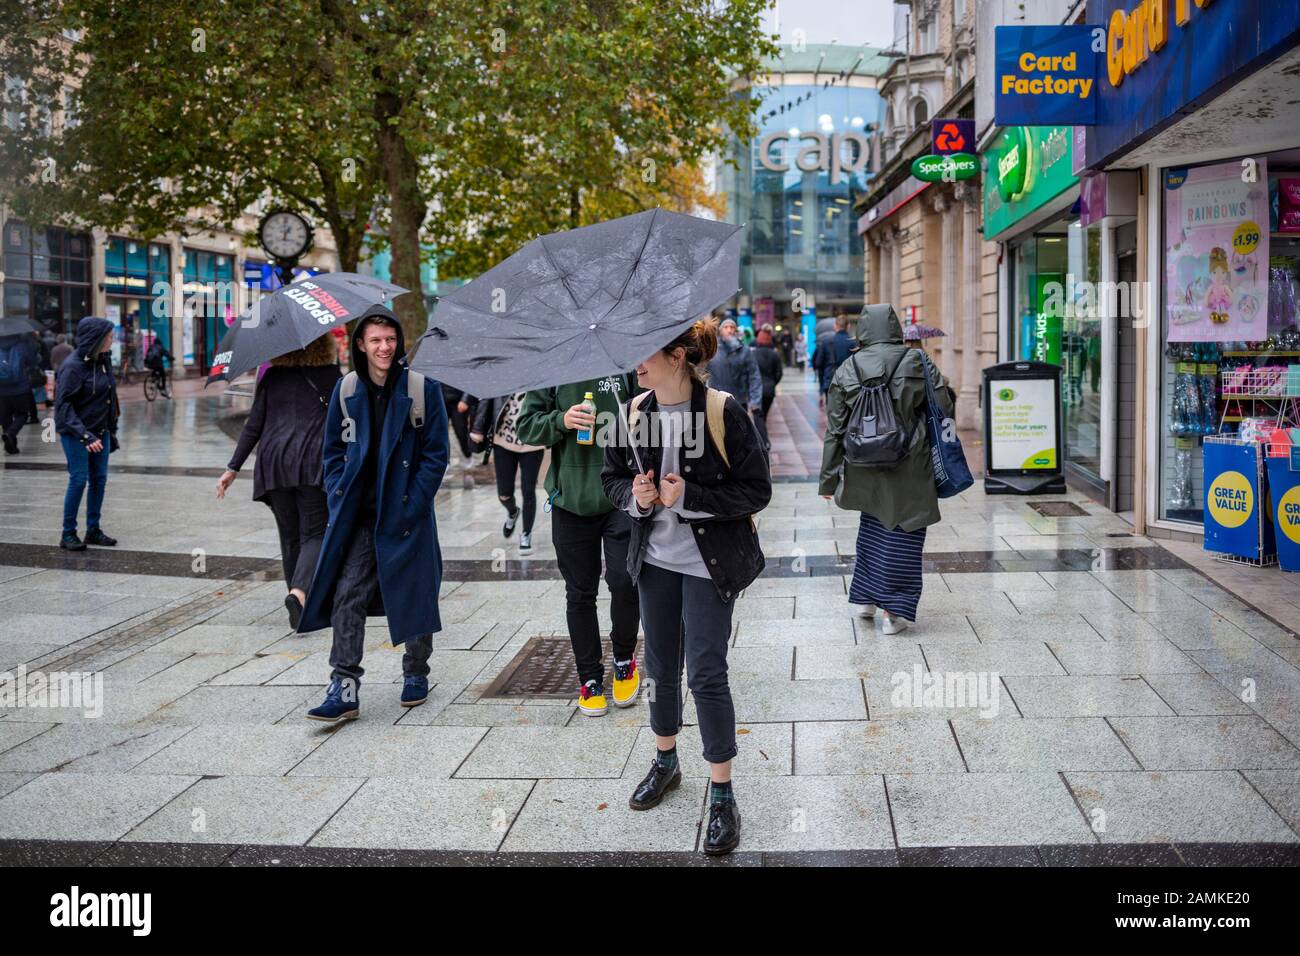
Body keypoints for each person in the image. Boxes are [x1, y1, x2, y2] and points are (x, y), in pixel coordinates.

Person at [602, 318, 772, 856]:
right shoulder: (635, 412)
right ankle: (666, 761)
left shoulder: (722, 412)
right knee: (660, 665)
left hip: (708, 564)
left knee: (706, 671)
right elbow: (611, 478)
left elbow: (756, 491)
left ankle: (722, 793)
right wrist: (639, 497)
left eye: (644, 352)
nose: (635, 362)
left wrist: (689, 496)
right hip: (653, 560)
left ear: (676, 356)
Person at [298, 310, 449, 721]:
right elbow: (331, 451)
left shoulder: (421, 389)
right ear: (360, 345)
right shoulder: (346, 390)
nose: (385, 347)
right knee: (348, 594)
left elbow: (436, 456)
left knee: (417, 590)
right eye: (376, 340)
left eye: (390, 339)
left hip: (407, 512)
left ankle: (416, 672)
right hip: (360, 516)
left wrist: (413, 503)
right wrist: (337, 492)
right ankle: (343, 685)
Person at [819, 304, 955, 634]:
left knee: (874, 526)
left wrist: (827, 479)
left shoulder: (848, 368)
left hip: (864, 464)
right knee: (905, 531)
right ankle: (893, 612)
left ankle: (866, 597)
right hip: (911, 463)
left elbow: (835, 429)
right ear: (895, 328)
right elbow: (945, 405)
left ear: (862, 331)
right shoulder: (917, 361)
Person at [517, 374, 642, 716]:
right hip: (570, 500)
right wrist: (562, 420)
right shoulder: (552, 369)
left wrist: (635, 418)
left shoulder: (622, 364)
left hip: (620, 495)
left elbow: (653, 411)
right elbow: (526, 427)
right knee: (580, 593)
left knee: (625, 580)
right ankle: (589, 678)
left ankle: (623, 658)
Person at [216, 332, 341, 629]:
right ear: (324, 345)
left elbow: (253, 425)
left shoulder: (272, 377)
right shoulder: (332, 375)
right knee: (316, 532)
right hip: (312, 462)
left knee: (290, 535)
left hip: (273, 464)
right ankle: (299, 594)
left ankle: (295, 598)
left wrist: (232, 468)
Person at [54, 316, 120, 550]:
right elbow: (63, 406)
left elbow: (109, 397)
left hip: (100, 431)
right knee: (79, 479)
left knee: (99, 480)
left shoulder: (102, 360)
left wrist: (110, 430)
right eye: (110, 337)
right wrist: (85, 436)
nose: (112, 340)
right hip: (75, 433)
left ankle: (93, 529)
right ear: (96, 339)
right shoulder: (72, 367)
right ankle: (68, 533)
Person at [470, 392, 544, 552]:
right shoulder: (505, 370)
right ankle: (512, 512)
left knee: (528, 490)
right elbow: (487, 397)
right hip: (503, 439)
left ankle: (526, 534)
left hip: (533, 441)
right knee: (504, 493)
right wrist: (477, 427)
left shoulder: (541, 375)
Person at [707, 316, 761, 416]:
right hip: (716, 402)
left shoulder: (745, 351)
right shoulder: (712, 351)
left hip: (739, 402)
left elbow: (754, 376)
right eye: (726, 327)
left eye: (732, 327)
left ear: (736, 331)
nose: (729, 330)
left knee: (739, 431)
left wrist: (755, 401)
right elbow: (702, 374)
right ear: (720, 331)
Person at [0, 328, 38, 454]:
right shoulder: (21, 346)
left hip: (2, 390)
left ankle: (11, 446)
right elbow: (33, 362)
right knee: (22, 415)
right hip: (20, 389)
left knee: (6, 417)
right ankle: (10, 434)